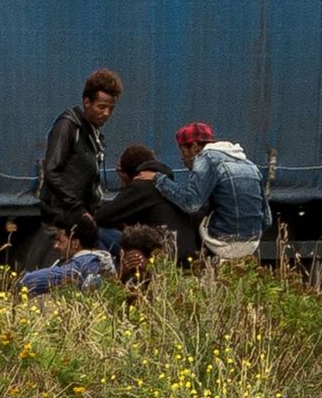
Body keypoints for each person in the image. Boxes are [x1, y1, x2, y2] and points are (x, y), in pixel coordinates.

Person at [139, 122, 270, 261]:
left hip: (221, 242)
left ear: (195, 146)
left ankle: (192, 262)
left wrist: (158, 179)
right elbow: (267, 220)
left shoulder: (206, 158)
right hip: (253, 242)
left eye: (183, 151)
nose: (182, 159)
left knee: (194, 215)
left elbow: (191, 204)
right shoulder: (249, 164)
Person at [39, 68, 123, 241]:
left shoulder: (91, 132)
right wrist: (77, 208)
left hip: (81, 218)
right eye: (101, 107)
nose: (106, 113)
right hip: (63, 220)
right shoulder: (68, 127)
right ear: (87, 102)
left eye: (110, 108)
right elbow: (51, 171)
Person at [95, 143, 200, 264]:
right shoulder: (167, 185)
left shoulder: (142, 186)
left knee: (98, 230)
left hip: (164, 258)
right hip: (187, 256)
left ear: (127, 172)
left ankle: (112, 270)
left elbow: (102, 217)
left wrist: (125, 185)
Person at [18, 214, 114, 295]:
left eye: (60, 241)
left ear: (75, 243)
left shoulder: (82, 265)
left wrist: (19, 282)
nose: (56, 246)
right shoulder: (95, 261)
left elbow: (29, 281)